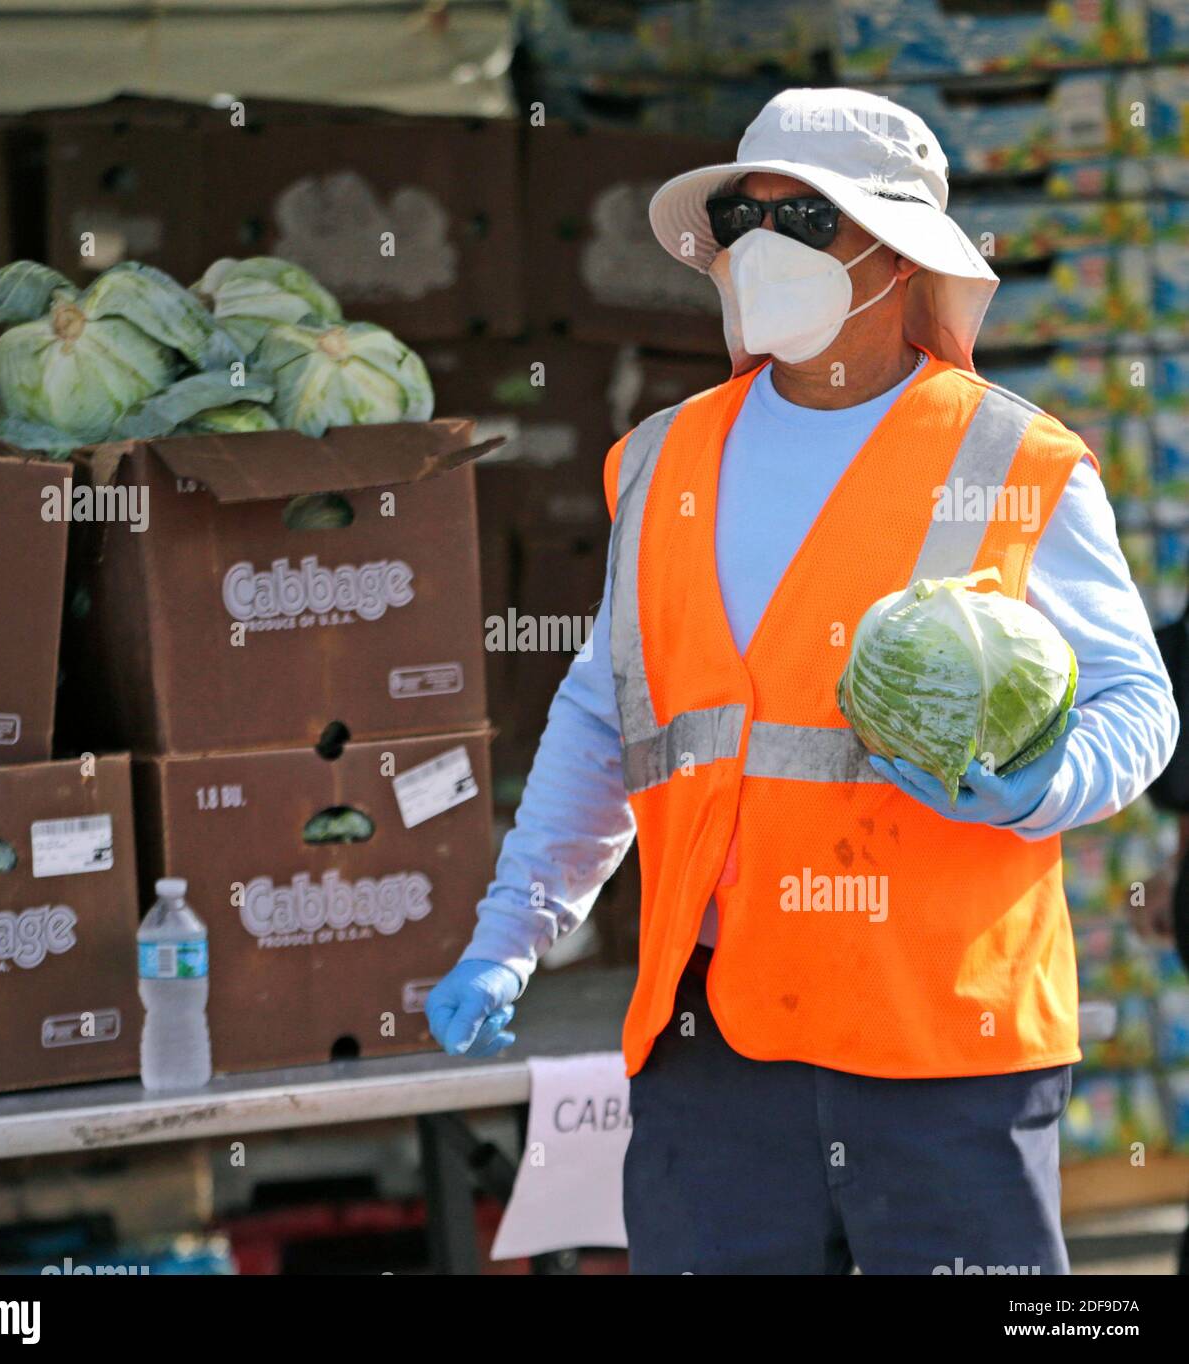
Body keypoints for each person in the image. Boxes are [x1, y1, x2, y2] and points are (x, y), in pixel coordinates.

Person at [427, 87, 1179, 1274]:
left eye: (807, 220)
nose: (763, 246)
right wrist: (510, 932)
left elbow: (1139, 705)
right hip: (713, 1051)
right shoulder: (662, 460)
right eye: (741, 215)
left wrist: (1038, 782)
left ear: (899, 253)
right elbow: (601, 718)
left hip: (941, 1042)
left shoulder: (1012, 459)